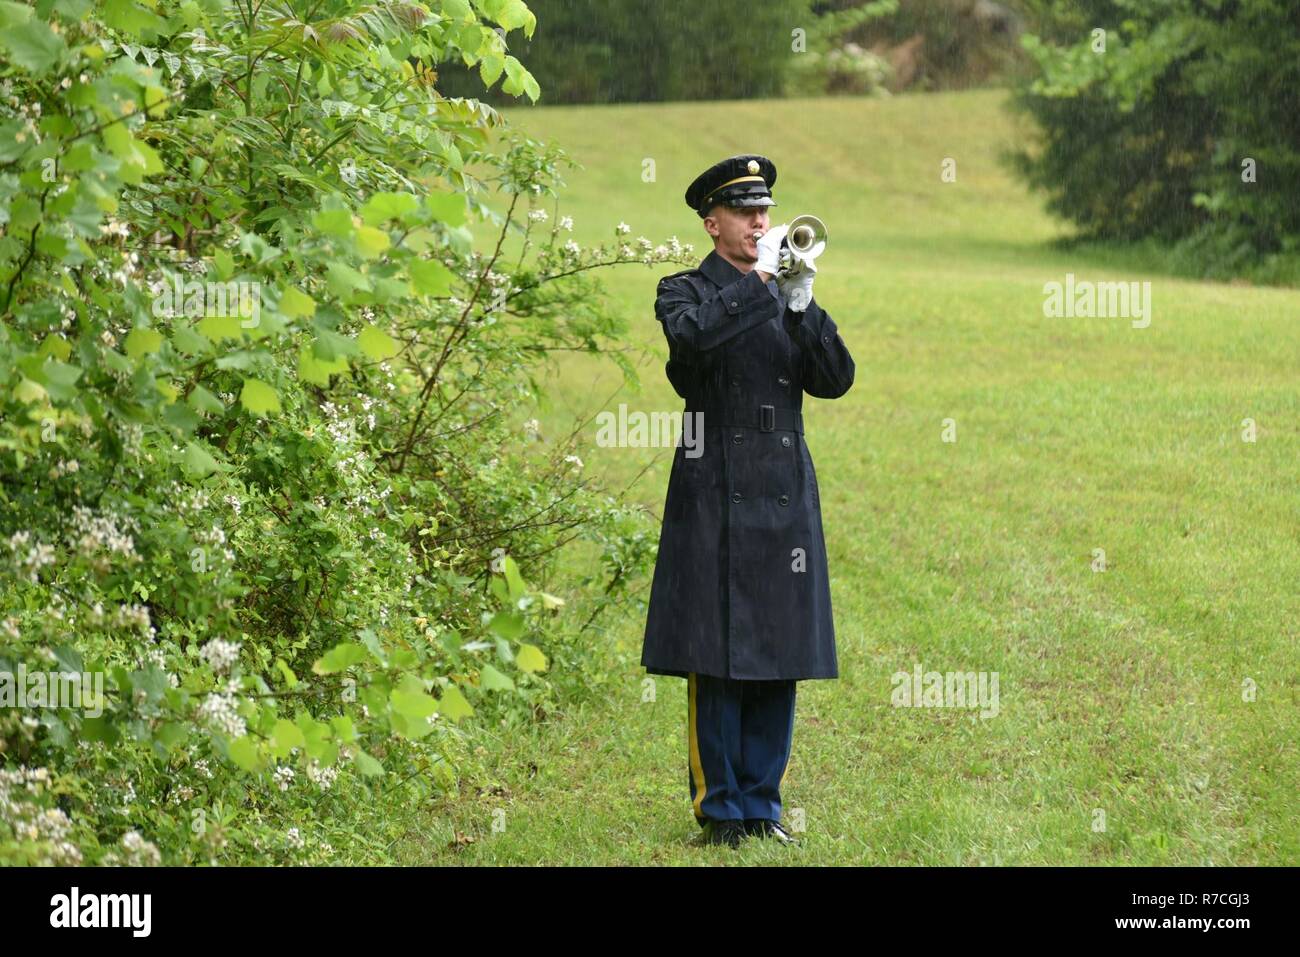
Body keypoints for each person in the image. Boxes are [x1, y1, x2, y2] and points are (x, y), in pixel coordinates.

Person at [640, 154, 856, 848]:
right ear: (712, 223)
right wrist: (761, 285)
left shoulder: (784, 292)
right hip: (714, 488)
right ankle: (721, 806)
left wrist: (804, 305)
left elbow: (836, 380)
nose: (762, 222)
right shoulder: (681, 291)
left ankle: (764, 802)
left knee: (777, 648)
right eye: (745, 212)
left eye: (766, 210)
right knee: (717, 650)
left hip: (784, 488)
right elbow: (691, 346)